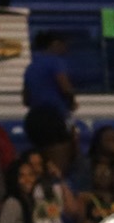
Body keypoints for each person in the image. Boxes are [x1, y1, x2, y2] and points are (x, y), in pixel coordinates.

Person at [22, 32, 78, 175]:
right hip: (52, 118)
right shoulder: (55, 61)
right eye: (64, 45)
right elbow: (65, 87)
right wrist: (72, 102)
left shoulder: (30, 67)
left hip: (33, 119)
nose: (66, 49)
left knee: (41, 167)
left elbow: (26, 100)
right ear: (55, 44)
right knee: (59, 169)